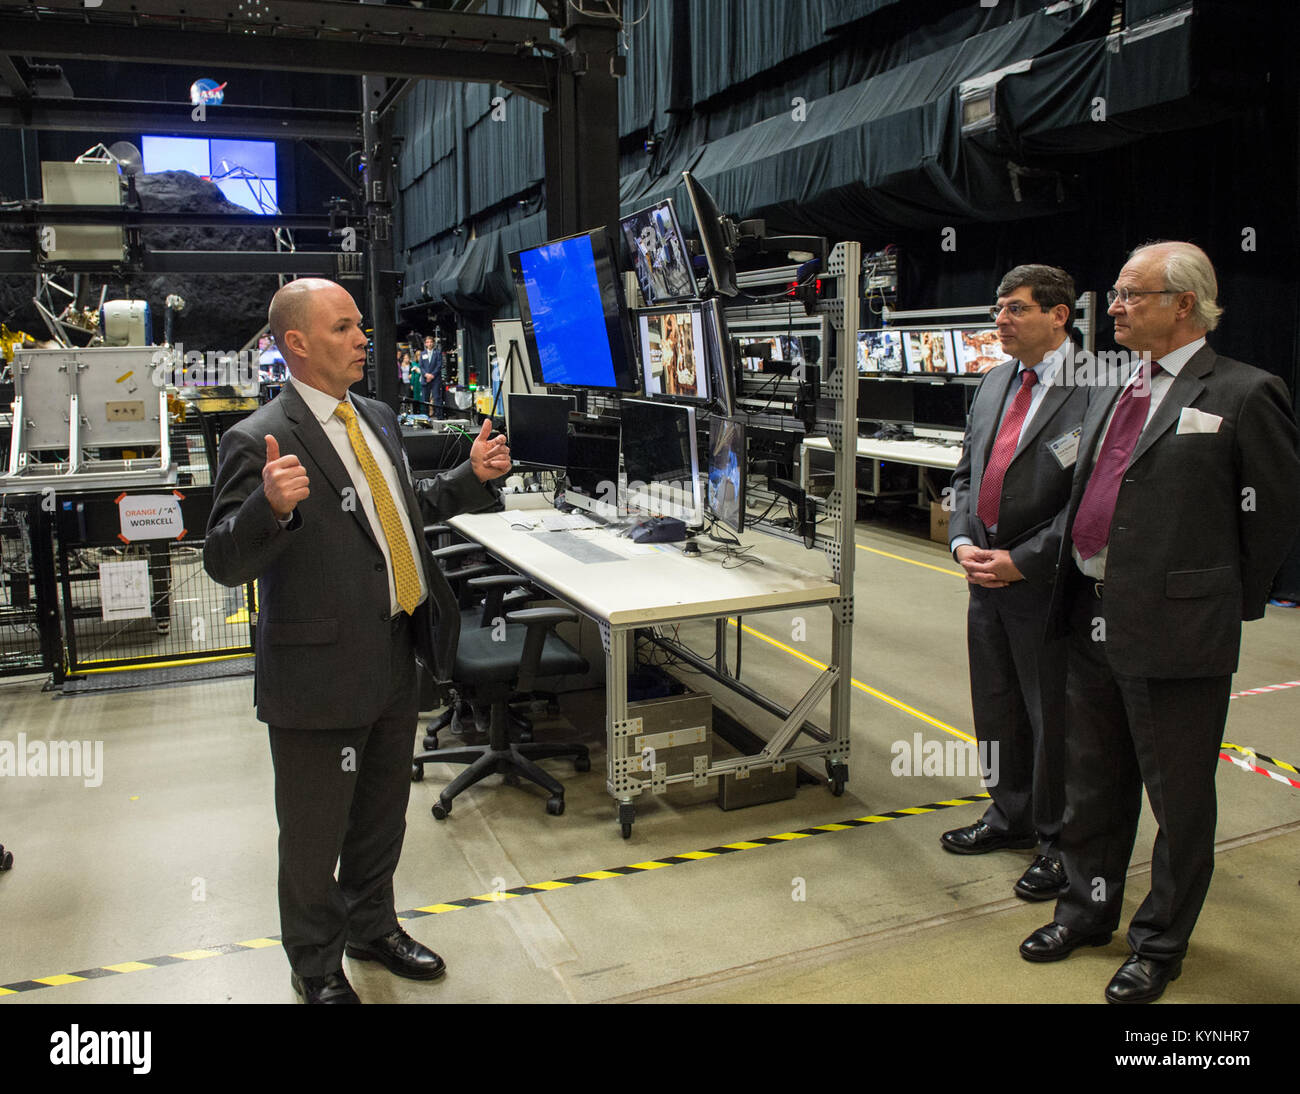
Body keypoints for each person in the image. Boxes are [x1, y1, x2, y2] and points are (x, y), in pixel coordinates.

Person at [203, 278, 511, 1004]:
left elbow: (405, 514)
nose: (363, 339)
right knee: (312, 838)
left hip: (394, 656)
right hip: (315, 678)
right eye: (344, 328)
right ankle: (314, 967)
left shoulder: (375, 416)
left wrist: (469, 476)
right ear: (297, 344)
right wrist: (266, 509)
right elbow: (222, 560)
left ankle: (373, 925)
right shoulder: (257, 440)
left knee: (379, 817)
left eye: (359, 327)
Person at [1019, 241, 1300, 1003]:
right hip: (1090, 616)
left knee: (1177, 800)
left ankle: (1159, 943)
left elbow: (1270, 516)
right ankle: (1086, 908)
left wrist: (1217, 604)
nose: (1111, 307)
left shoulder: (1245, 391)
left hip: (1179, 631)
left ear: (1185, 303)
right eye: (1113, 293)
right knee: (1093, 784)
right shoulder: (1116, 386)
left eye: (1130, 295)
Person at [943, 265, 1090, 902]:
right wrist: (961, 537)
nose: (1000, 320)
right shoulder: (996, 380)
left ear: (1059, 315)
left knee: (1052, 716)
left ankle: (1061, 844)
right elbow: (966, 471)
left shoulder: (1103, 388)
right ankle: (1009, 816)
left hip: (1051, 583)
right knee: (998, 705)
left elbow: (1093, 500)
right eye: (999, 308)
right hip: (985, 577)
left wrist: (1025, 558)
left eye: (1015, 309)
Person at [420, 335, 444, 420]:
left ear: (433, 343)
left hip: (435, 379)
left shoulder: (437, 353)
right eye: (427, 342)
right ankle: (424, 417)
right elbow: (421, 366)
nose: (429, 344)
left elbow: (439, 365)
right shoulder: (422, 354)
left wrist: (432, 375)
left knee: (436, 397)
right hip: (425, 378)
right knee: (424, 398)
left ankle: (439, 417)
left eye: (431, 342)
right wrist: (426, 375)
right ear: (425, 344)